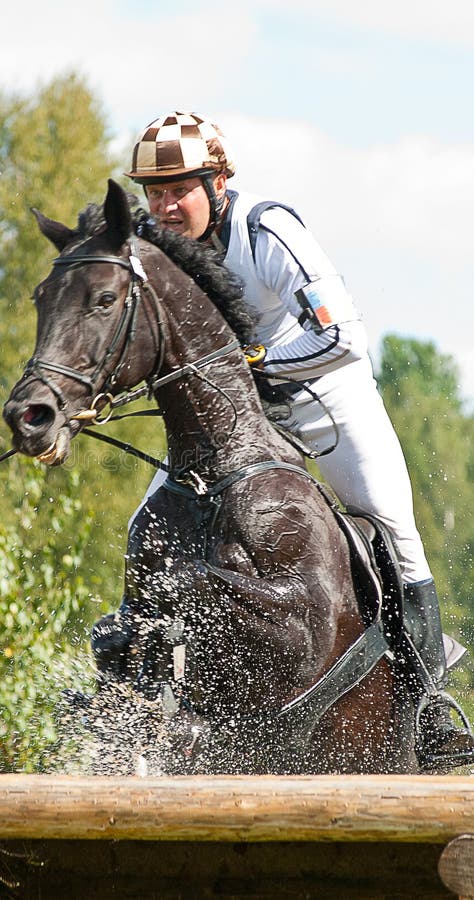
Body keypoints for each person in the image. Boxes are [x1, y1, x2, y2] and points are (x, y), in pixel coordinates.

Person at [93, 110, 474, 768]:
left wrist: (253, 365)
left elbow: (340, 335)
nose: (164, 206)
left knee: (392, 524)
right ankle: (137, 705)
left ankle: (428, 710)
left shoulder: (267, 229)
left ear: (215, 183)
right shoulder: (161, 249)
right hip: (237, 424)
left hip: (327, 401)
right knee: (146, 526)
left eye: (177, 189)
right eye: (154, 193)